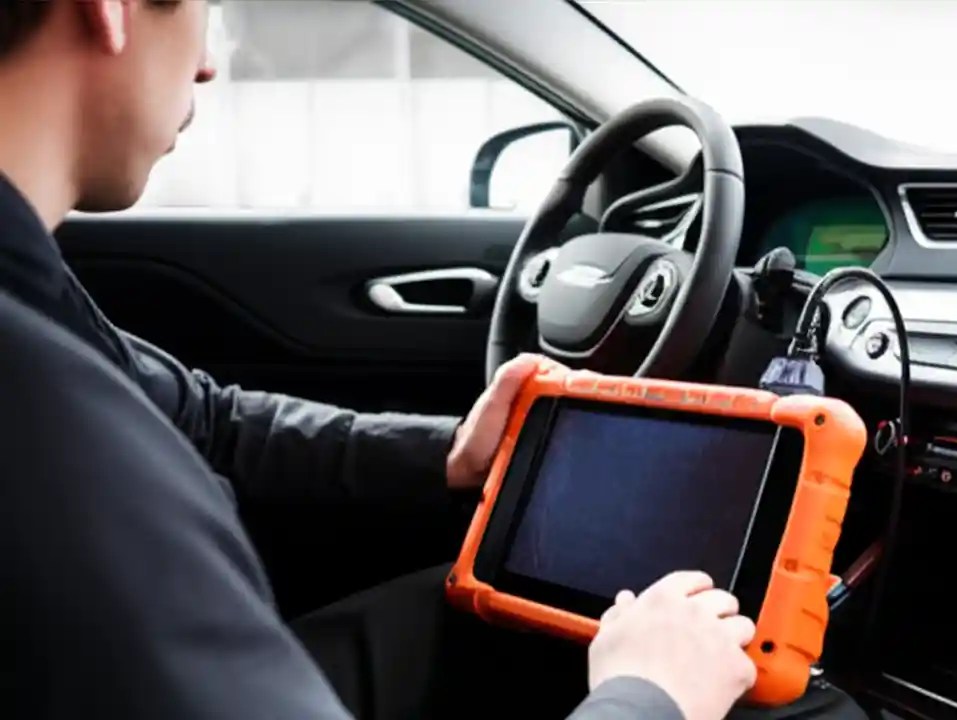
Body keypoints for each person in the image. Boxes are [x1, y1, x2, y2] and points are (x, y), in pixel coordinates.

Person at [0, 2, 866, 719]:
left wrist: (453, 456)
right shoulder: (40, 411)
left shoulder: (33, 309)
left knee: (470, 622)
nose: (206, 65)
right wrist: (649, 698)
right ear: (111, 8)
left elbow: (204, 422)